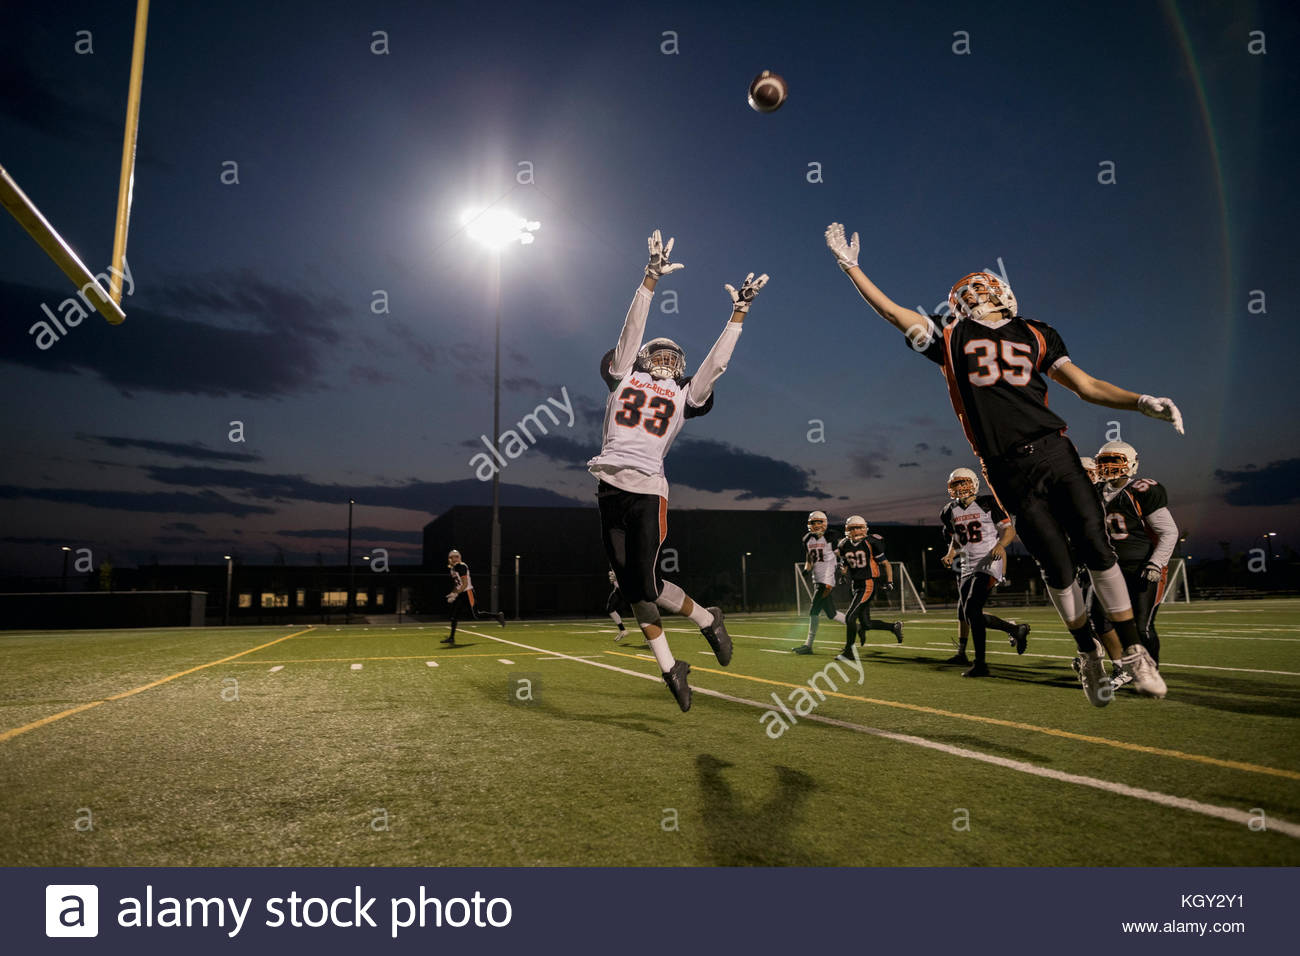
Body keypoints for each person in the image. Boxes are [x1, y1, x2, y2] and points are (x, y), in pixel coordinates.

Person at [824, 222, 1182, 704]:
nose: (973, 293)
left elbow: (1087, 386)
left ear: (1001, 293)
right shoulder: (951, 336)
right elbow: (892, 312)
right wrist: (851, 267)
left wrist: (1141, 402)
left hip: (1054, 447)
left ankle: (1133, 653)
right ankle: (1088, 653)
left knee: (1097, 547)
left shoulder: (1037, 332)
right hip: (1005, 467)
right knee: (1056, 566)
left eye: (979, 286)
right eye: (965, 290)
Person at [588, 230, 764, 711]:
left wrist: (738, 316)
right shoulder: (625, 372)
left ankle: (703, 627)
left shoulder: (684, 395)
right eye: (657, 353)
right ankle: (680, 656)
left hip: (647, 490)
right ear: (642, 359)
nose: (664, 360)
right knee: (635, 590)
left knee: (642, 586)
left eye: (672, 357)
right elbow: (631, 332)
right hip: (608, 488)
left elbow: (715, 366)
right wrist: (649, 279)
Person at [1088, 440, 1179, 675]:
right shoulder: (1093, 493)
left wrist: (1155, 563)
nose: (1107, 467)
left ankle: (1151, 673)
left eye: (1113, 460)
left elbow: (1169, 531)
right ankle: (1122, 667)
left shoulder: (1139, 491)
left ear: (1130, 464)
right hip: (1109, 569)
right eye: (1103, 461)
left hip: (1141, 567)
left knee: (1141, 626)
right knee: (1098, 618)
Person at [939, 467, 1031, 676]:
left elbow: (1009, 529)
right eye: (956, 484)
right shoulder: (948, 510)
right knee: (965, 612)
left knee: (972, 607)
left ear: (973, 483)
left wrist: (1001, 546)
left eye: (964, 483)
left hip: (989, 561)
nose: (960, 487)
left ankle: (981, 664)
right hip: (967, 564)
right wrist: (950, 553)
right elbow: (955, 538)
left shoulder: (988, 502)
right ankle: (1014, 630)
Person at [833, 515, 904, 660]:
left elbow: (886, 564)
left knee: (850, 618)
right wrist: (842, 573)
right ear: (848, 530)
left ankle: (849, 651)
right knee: (866, 623)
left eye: (860, 527)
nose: (858, 531)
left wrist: (890, 581)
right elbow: (845, 564)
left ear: (865, 528)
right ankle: (893, 627)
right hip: (856, 584)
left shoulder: (871, 542)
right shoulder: (843, 545)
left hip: (868, 583)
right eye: (854, 528)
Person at [793, 511, 848, 654]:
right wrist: (806, 569)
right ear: (809, 524)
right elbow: (809, 557)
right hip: (817, 580)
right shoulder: (807, 539)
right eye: (813, 523)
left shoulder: (831, 537)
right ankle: (858, 628)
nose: (816, 525)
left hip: (827, 581)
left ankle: (808, 645)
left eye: (819, 522)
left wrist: (843, 568)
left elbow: (841, 554)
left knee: (813, 611)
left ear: (824, 523)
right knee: (832, 614)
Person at [442, 549, 505, 644]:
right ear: (449, 559)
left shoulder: (461, 566)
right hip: (461, 593)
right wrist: (453, 592)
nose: (454, 559)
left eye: (456, 557)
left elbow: (464, 584)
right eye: (452, 557)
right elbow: (457, 584)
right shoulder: (453, 568)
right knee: (454, 615)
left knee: (476, 614)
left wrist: (455, 594)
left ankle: (497, 616)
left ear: (459, 558)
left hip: (468, 592)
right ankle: (451, 637)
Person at [605, 569, 631, 643]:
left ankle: (648, 634)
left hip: (629, 589)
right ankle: (622, 630)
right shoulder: (613, 562)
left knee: (640, 610)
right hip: (619, 590)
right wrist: (613, 578)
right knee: (610, 609)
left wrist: (617, 576)